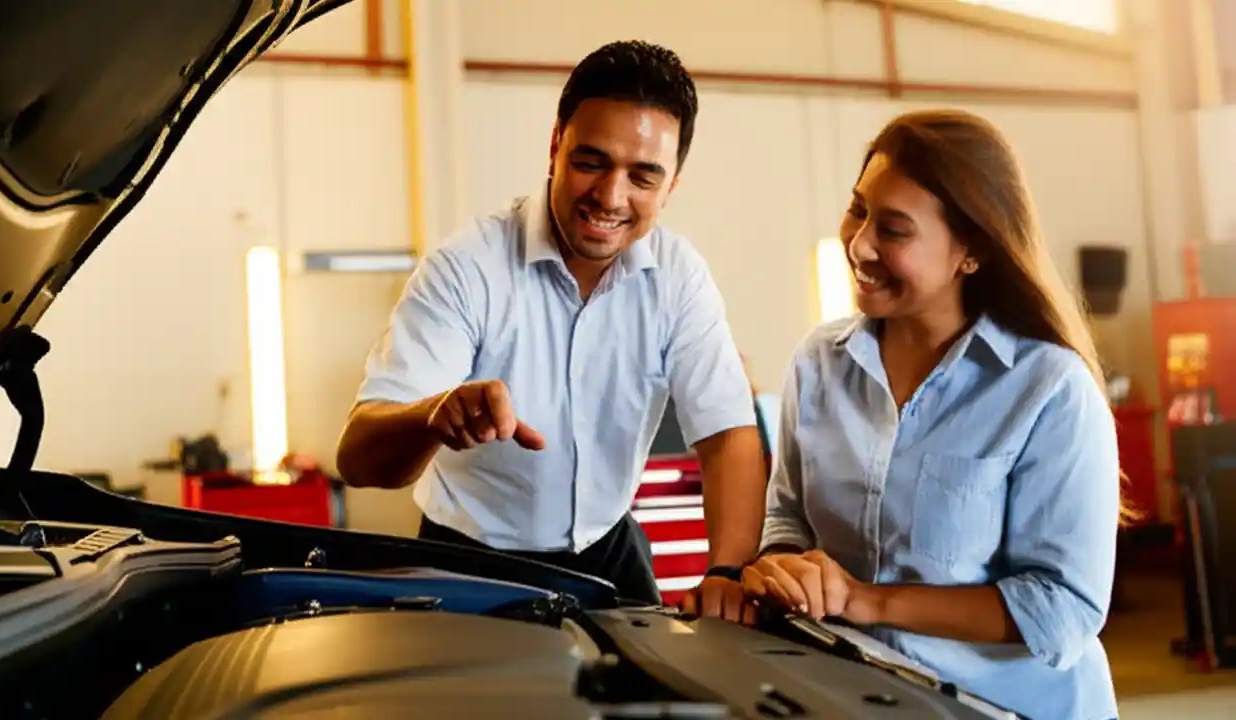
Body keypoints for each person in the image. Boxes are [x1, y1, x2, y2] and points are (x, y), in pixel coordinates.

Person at [335, 40, 767, 619]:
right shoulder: (467, 268)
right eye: (591, 162)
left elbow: (729, 435)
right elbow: (359, 462)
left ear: (672, 185)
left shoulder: (679, 277)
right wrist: (432, 416)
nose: (611, 197)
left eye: (643, 176)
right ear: (555, 147)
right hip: (469, 561)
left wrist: (726, 571)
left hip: (609, 551)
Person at [742, 109, 1122, 720]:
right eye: (858, 209)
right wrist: (781, 566)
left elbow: (1061, 609)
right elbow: (787, 515)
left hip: (1003, 708)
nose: (858, 242)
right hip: (854, 700)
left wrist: (867, 601)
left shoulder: (1050, 389)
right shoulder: (818, 363)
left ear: (970, 250)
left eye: (893, 229)